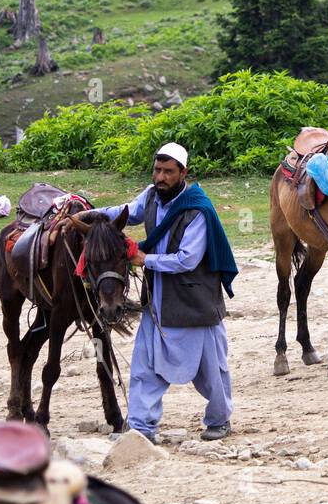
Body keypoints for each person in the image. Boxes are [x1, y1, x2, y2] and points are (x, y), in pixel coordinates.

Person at [85, 143, 238, 444]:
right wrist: (90, 213)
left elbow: (188, 259)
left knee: (211, 370)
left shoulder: (197, 209)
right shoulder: (152, 196)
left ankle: (219, 420)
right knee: (145, 365)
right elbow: (125, 213)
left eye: (168, 172)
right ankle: (142, 428)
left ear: (183, 172)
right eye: (157, 170)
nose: (161, 177)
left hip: (196, 303)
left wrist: (145, 260)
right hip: (158, 300)